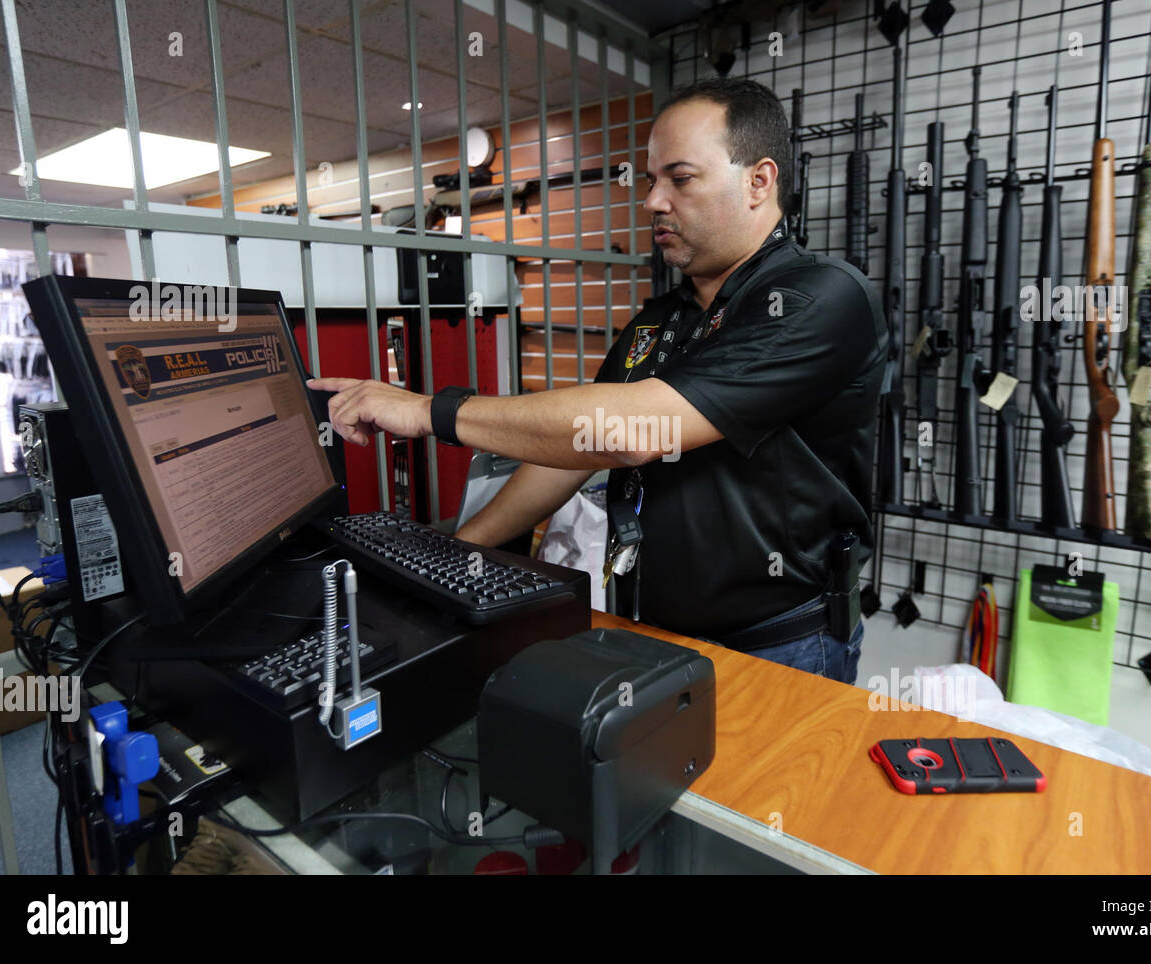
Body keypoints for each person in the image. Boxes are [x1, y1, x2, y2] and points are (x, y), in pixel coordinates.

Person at [310, 77, 886, 685]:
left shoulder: (817, 299)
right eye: (650, 180)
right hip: (656, 628)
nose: (653, 202)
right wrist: (457, 549)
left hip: (778, 647)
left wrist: (431, 412)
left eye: (680, 179)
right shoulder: (661, 323)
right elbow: (578, 451)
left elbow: (635, 430)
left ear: (759, 181)